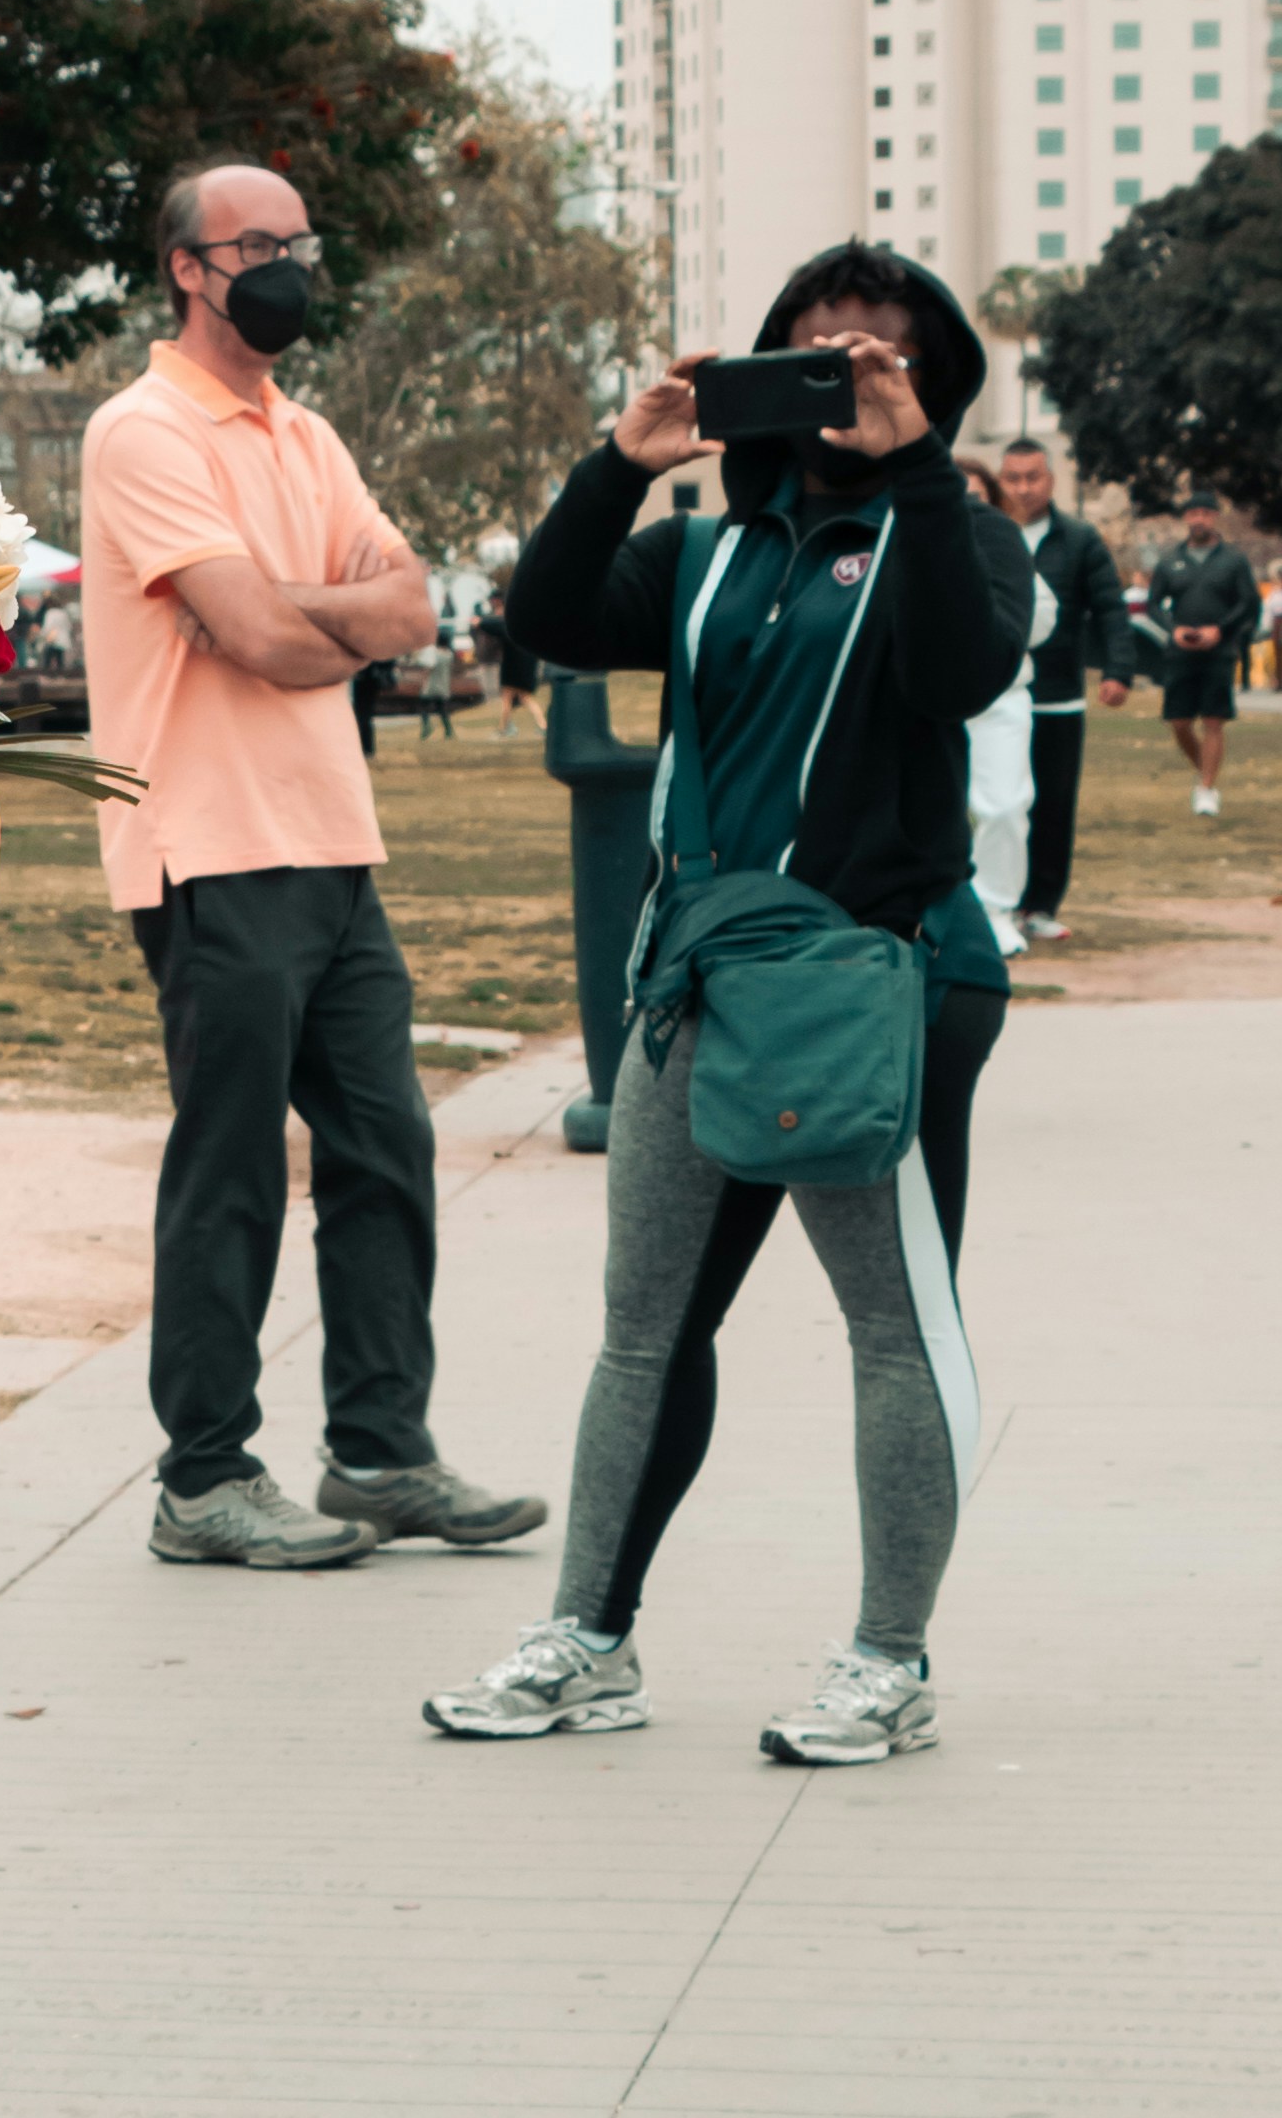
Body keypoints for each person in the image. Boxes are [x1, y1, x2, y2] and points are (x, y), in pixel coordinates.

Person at [425, 249, 1034, 1769]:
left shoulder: (952, 539)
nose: (847, 375)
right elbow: (553, 617)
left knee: (892, 1327)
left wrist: (918, 481)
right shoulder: (708, 549)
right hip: (696, 974)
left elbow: (963, 674)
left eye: (882, 357)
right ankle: (587, 1637)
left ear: (930, 384)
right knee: (645, 1331)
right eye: (817, 351)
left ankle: (890, 1660)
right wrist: (616, 468)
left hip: (875, 979)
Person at [76, 159, 541, 1575]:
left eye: (299, 239)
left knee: (388, 1154)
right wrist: (312, 620)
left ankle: (383, 1456)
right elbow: (271, 641)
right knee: (230, 1173)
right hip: (210, 848)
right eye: (254, 241)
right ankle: (203, 1479)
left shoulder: (309, 436)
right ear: (186, 267)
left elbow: (398, 609)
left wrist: (293, 611)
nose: (285, 263)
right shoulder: (141, 431)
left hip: (335, 840)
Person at [991, 434, 1131, 941]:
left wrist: (1118, 670)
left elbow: (1111, 609)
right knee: (997, 804)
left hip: (1057, 697)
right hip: (992, 697)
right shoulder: (986, 531)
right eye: (1013, 478)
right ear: (998, 480)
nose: (1023, 488)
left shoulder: (1079, 540)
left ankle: (1040, 905)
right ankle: (991, 904)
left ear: (1051, 480)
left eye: (1033, 477)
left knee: (1052, 804)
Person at [959, 467, 1049, 952]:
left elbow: (1042, 619)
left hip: (999, 698)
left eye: (976, 496)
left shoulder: (1011, 548)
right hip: (926, 697)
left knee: (1005, 805)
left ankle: (995, 910)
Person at [1149, 507, 1259, 815]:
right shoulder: (1170, 560)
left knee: (1213, 719)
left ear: (1214, 517)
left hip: (1218, 651)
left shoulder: (1233, 560)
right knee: (1179, 721)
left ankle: (1206, 788)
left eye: (1205, 514)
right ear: (1185, 519)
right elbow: (1153, 604)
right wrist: (1174, 630)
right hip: (1181, 651)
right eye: (1192, 514)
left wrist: (1221, 630)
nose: (1199, 520)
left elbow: (1247, 602)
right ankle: (1206, 769)